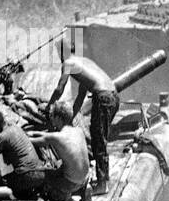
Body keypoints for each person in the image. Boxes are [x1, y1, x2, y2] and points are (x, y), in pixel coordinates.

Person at [47, 53, 119, 193]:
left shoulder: (67, 63)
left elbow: (59, 89)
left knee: (98, 140)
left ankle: (102, 185)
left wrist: (49, 105)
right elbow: (80, 96)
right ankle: (104, 178)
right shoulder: (83, 62)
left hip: (103, 97)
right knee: (100, 138)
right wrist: (70, 119)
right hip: (113, 96)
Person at [28, 101, 91, 201]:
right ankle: (82, 189)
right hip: (85, 177)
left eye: (53, 116)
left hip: (71, 183)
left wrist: (21, 135)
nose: (51, 118)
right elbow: (47, 136)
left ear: (58, 118)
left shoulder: (58, 137)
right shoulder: (78, 130)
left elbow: (33, 142)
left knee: (43, 179)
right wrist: (33, 132)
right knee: (60, 168)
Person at [0, 107, 47, 199]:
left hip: (27, 176)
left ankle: (16, 200)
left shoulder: (1, 137)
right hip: (41, 172)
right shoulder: (15, 127)